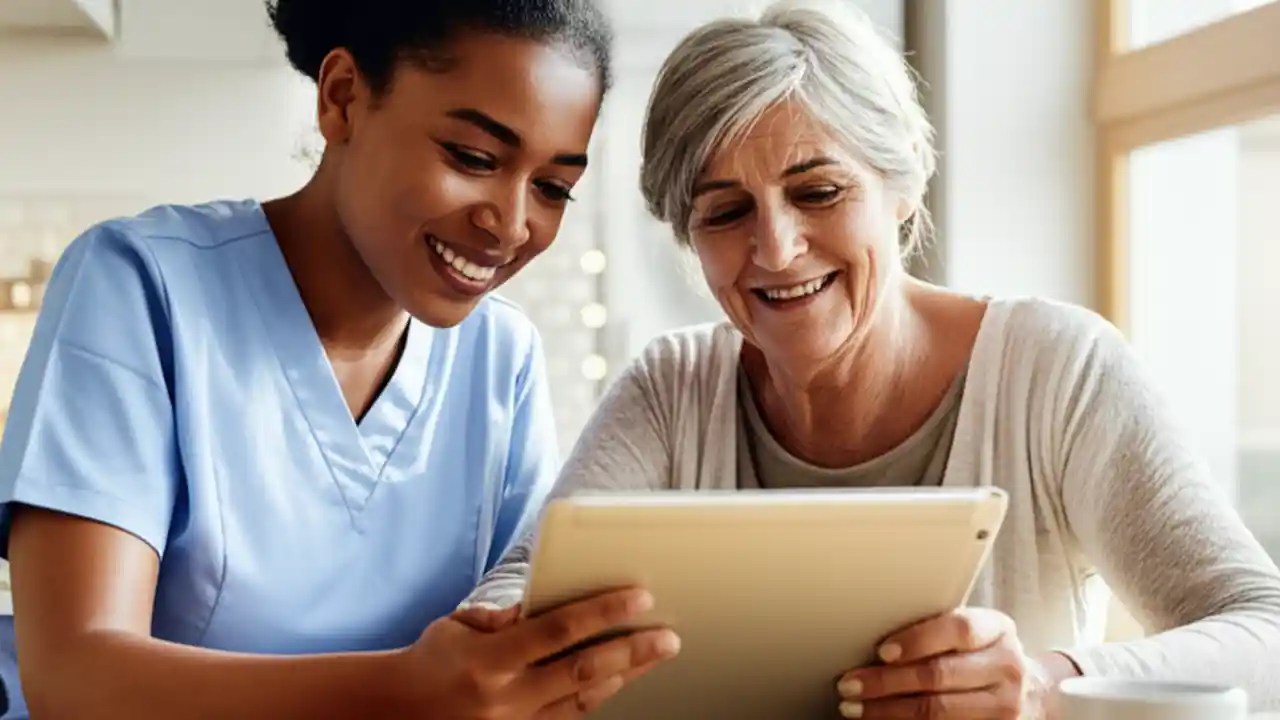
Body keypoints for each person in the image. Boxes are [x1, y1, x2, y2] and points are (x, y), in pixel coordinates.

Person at [467, 0, 1280, 717]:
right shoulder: (671, 389)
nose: (776, 249)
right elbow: (520, 596)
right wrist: (504, 640)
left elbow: (1265, 631)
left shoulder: (1056, 371)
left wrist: (1045, 686)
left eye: (818, 192)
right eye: (726, 212)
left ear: (903, 188)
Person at [0, 1, 681, 718]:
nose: (511, 224)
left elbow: (516, 655)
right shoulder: (141, 286)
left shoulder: (500, 357)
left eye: (552, 188)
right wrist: (402, 690)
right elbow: (73, 676)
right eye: (474, 158)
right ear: (343, 97)